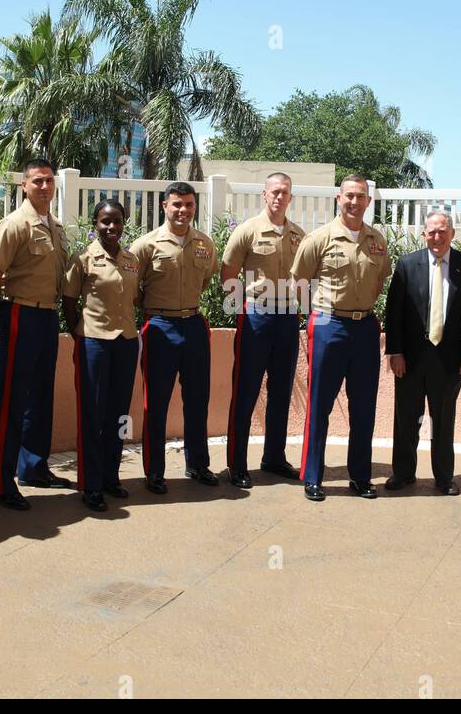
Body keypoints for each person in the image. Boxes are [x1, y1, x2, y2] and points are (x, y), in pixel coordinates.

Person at [291, 174, 390, 502]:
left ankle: (360, 477)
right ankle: (313, 475)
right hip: (329, 326)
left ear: (368, 201)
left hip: (364, 329)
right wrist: (315, 317)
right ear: (338, 198)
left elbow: (379, 282)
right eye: (349, 195)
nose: (354, 202)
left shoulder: (377, 241)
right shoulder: (319, 238)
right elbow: (299, 283)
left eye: (360, 196)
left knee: (364, 407)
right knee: (320, 404)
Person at [0, 158, 71, 510]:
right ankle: (2, 483)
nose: (45, 187)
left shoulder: (56, 227)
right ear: (24, 185)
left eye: (49, 181)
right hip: (20, 313)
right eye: (38, 181)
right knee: (12, 399)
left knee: (40, 396)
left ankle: (34, 467)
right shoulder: (15, 224)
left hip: (47, 317)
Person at [383, 209, 461, 495]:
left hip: (449, 359)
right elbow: (395, 314)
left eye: (442, 231)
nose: (437, 236)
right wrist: (395, 352)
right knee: (406, 418)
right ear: (424, 234)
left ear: (451, 233)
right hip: (410, 359)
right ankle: (403, 472)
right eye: (431, 232)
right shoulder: (407, 264)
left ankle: (444, 478)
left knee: (443, 420)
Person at [130, 182, 219, 493]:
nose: (183, 210)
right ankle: (154, 471)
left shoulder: (205, 244)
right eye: (177, 204)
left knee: (198, 400)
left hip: (194, 325)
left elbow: (206, 279)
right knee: (156, 403)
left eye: (189, 205)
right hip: (159, 327)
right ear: (165, 206)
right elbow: (131, 288)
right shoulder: (146, 245)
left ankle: (198, 464)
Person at [220, 172, 306, 488]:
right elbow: (228, 274)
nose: (279, 197)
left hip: (286, 319)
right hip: (256, 316)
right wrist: (243, 307)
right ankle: (237, 464)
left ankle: (273, 458)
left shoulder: (298, 235)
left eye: (285, 192)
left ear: (290, 197)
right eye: (275, 191)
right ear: (264, 194)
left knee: (281, 390)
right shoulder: (248, 231)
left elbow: (305, 277)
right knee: (246, 391)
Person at [62, 200, 141, 511]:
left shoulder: (132, 260)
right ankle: (91, 484)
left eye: (117, 221)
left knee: (119, 414)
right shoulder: (82, 259)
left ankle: (111, 477)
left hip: (126, 342)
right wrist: (79, 333)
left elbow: (135, 298)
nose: (111, 227)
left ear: (124, 223)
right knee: (93, 414)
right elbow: (68, 301)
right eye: (105, 221)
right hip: (94, 343)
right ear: (95, 223)